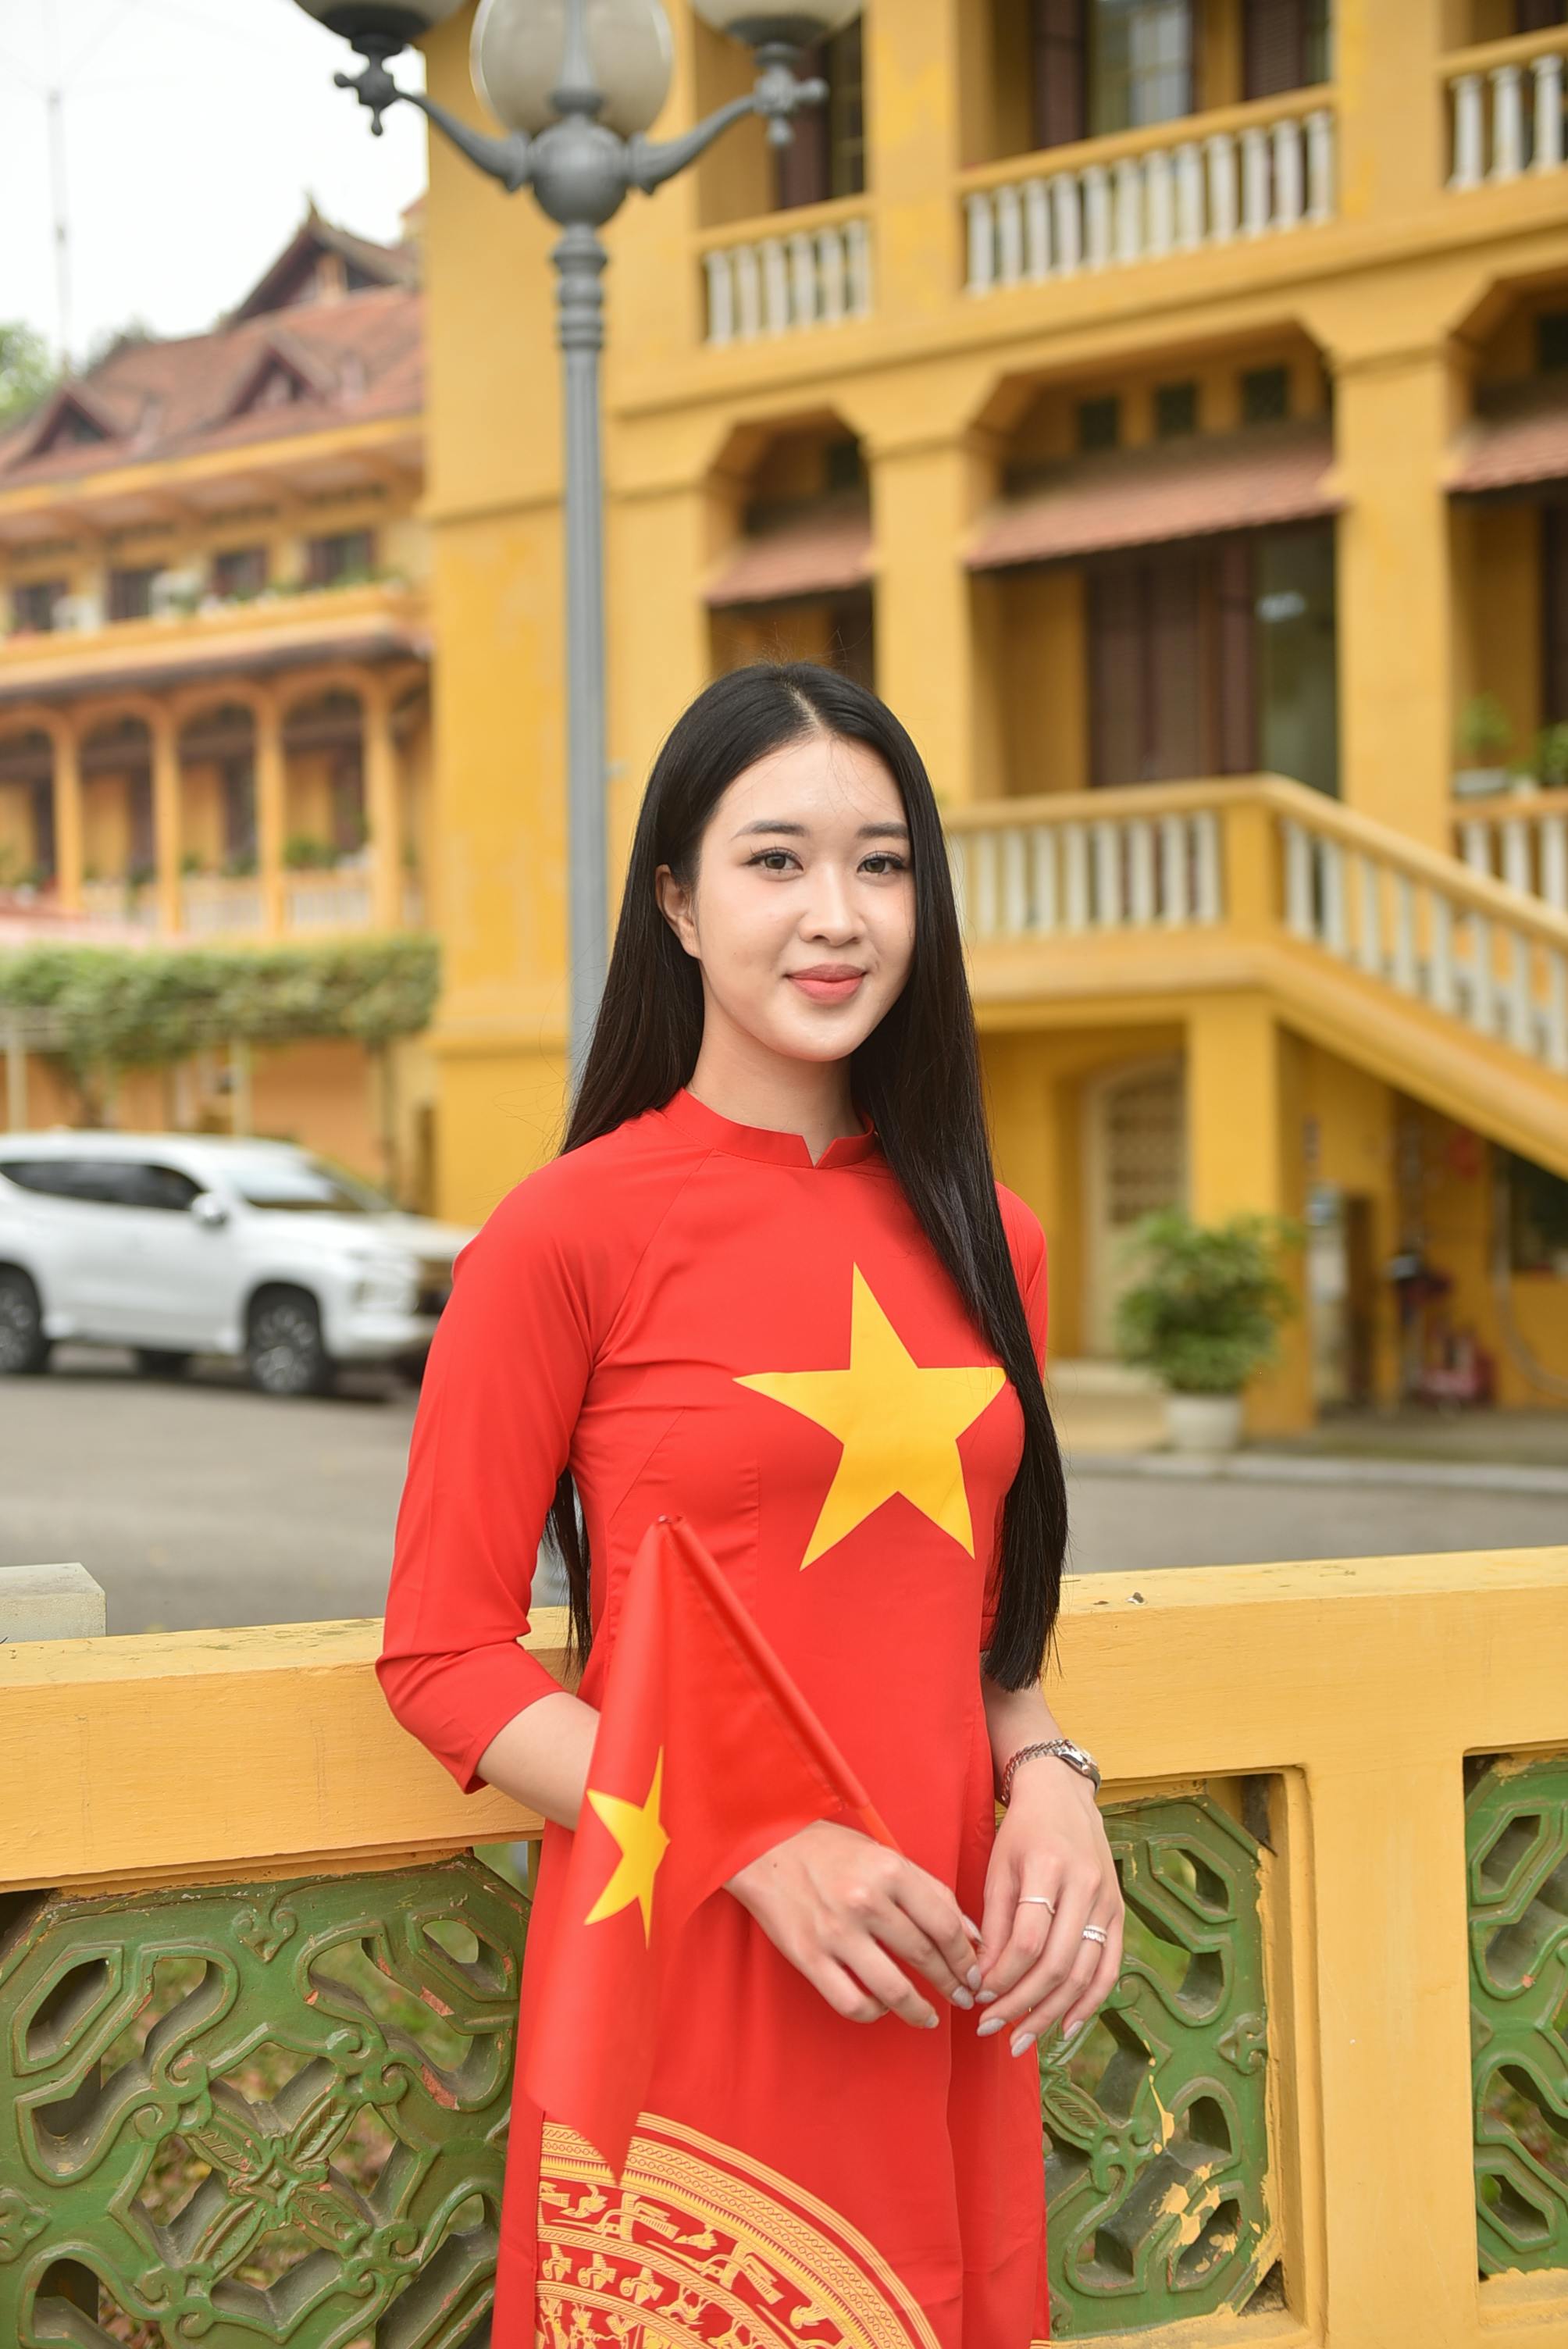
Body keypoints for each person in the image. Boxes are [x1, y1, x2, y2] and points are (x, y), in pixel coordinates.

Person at [376, 661, 1124, 2348]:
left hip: (937, 1970)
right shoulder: (560, 1238)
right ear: (676, 903)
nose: (834, 913)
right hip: (690, 1958)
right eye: (773, 860)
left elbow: (980, 1638)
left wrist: (1053, 1782)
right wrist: (752, 1836)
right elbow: (440, 1655)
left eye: (880, 861)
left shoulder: (989, 1236)